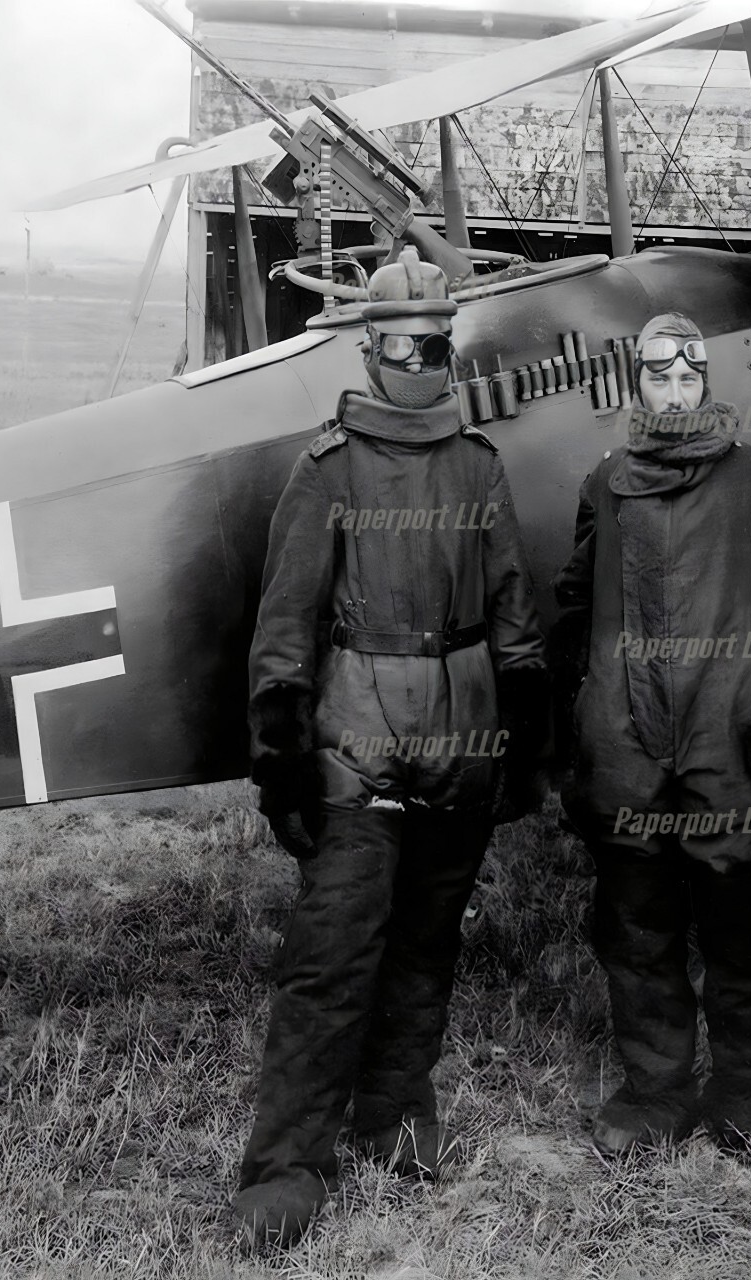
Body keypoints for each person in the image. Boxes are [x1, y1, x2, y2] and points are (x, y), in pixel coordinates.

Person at [237, 247, 548, 1246]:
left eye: (435, 336)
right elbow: (284, 629)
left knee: (426, 941)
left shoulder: (478, 465)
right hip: (355, 751)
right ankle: (285, 1166)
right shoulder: (325, 468)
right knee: (333, 956)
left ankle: (397, 1112)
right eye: (404, 337)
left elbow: (513, 618)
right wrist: (281, 758)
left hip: (459, 744)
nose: (421, 352)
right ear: (369, 346)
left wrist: (520, 743)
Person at [551, 311, 751, 1176]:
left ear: (703, 382)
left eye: (687, 378)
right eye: (657, 378)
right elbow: (573, 601)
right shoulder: (606, 482)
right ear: (637, 383)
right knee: (637, 935)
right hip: (629, 752)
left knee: (745, 935)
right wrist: (574, 708)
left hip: (725, 748)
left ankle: (750, 1100)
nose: (673, 393)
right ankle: (656, 1095)